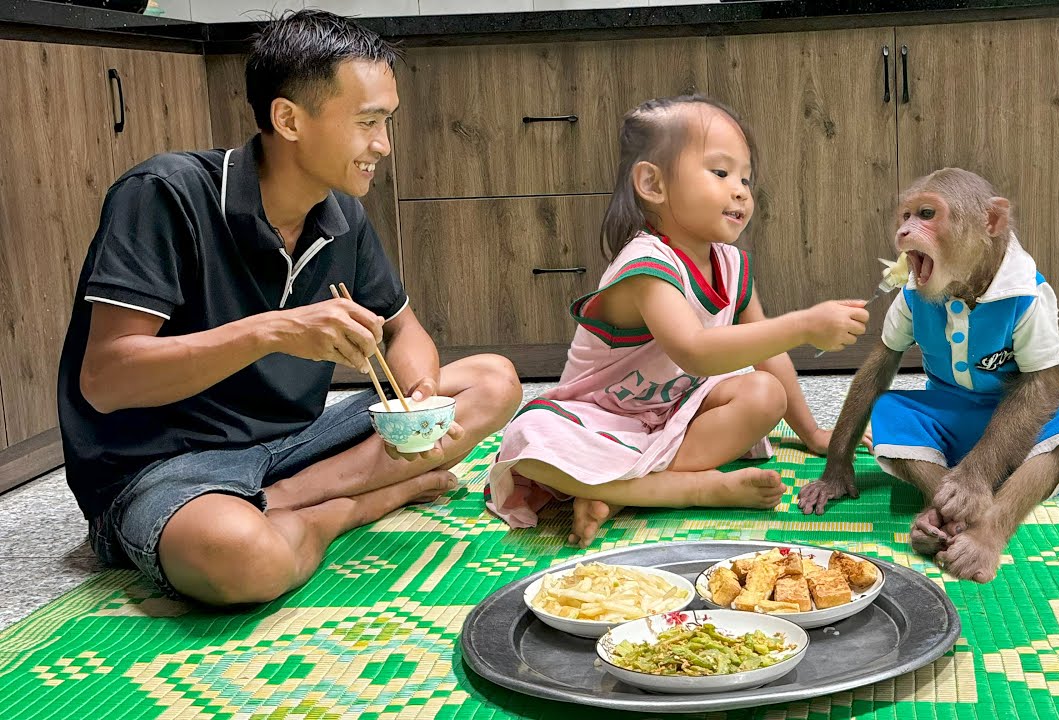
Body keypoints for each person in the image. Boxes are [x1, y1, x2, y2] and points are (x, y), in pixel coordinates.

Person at [56, 9, 521, 606]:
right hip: (165, 469)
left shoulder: (340, 214)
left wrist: (419, 400)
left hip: (292, 446)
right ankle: (362, 503)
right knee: (243, 559)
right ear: (288, 119)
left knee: (491, 380)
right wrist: (272, 331)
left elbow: (405, 331)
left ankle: (290, 500)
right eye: (367, 123)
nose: (382, 145)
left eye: (387, 122)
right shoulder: (166, 194)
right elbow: (106, 380)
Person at [484, 95, 870, 547]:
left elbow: (770, 357)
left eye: (746, 178)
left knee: (766, 394)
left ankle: (616, 491)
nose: (741, 190)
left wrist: (813, 432)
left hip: (676, 414)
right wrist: (804, 324)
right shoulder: (647, 264)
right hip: (599, 417)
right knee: (529, 442)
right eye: (721, 173)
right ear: (653, 183)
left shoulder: (732, 265)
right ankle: (693, 488)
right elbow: (694, 351)